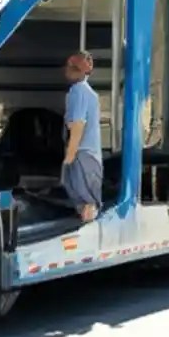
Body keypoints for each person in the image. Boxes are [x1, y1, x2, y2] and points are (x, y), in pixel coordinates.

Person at [62, 51, 104, 222]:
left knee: (86, 202)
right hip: (89, 156)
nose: (65, 71)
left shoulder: (78, 91)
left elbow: (78, 124)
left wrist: (70, 156)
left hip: (82, 155)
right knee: (87, 201)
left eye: (69, 67)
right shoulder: (88, 93)